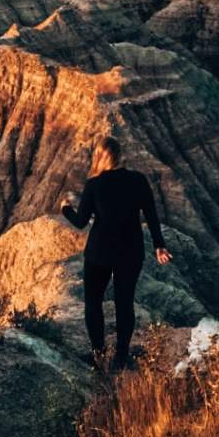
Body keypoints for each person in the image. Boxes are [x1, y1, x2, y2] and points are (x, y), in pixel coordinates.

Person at [62, 136, 172, 372]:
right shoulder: (138, 180)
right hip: (130, 251)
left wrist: (65, 209)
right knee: (125, 303)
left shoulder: (94, 185)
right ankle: (121, 356)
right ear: (120, 155)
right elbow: (151, 215)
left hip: (99, 252)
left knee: (93, 302)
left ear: (100, 157)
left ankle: (98, 354)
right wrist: (159, 245)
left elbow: (81, 222)